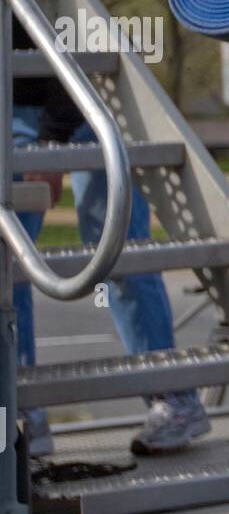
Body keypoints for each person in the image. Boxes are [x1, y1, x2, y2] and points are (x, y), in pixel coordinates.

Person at [12, 27, 211, 457]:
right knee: (11, 265)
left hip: (78, 98)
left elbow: (69, 23)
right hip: (18, 107)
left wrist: (50, 139)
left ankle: (174, 399)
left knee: (120, 253)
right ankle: (24, 412)